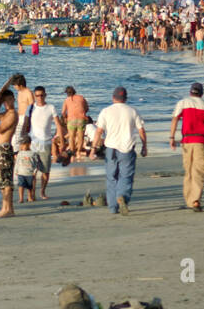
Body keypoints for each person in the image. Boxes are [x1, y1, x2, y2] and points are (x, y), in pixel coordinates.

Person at [92, 87, 148, 215]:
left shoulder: (106, 111)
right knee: (126, 176)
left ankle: (113, 207)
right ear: (125, 98)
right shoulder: (132, 111)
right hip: (127, 148)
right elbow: (141, 130)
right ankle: (122, 196)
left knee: (111, 177)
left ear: (113, 98)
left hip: (110, 148)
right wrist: (144, 146)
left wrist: (93, 149)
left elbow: (99, 131)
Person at [169, 82, 204, 211]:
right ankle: (195, 200)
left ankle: (190, 201)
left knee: (189, 171)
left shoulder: (183, 103)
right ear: (202, 94)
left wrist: (172, 137)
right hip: (200, 140)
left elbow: (175, 119)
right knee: (199, 171)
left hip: (186, 140)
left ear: (190, 92)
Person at [0, 76, 20, 219]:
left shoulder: (12, 115)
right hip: (0, 148)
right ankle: (7, 208)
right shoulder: (6, 113)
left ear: (13, 100)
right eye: (4, 102)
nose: (6, 104)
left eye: (8, 101)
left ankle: (7, 208)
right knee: (1, 179)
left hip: (5, 148)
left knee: (6, 179)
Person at [29, 86, 58, 199]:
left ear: (45, 95)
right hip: (33, 142)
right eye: (37, 95)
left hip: (46, 142)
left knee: (45, 170)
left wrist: (58, 136)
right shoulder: (31, 108)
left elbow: (58, 123)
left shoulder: (50, 107)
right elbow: (25, 123)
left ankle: (42, 192)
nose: (39, 97)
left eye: (41, 95)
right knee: (32, 171)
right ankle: (31, 194)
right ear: (34, 96)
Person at [61, 86, 88, 160]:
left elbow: (63, 112)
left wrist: (65, 117)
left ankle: (72, 153)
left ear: (67, 93)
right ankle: (78, 152)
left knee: (71, 137)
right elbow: (86, 108)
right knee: (80, 136)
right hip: (81, 119)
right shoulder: (81, 97)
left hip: (71, 120)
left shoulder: (66, 100)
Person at [14, 136, 42, 204]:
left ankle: (30, 196)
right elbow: (17, 162)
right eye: (21, 145)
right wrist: (16, 170)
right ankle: (21, 198)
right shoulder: (20, 153)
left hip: (30, 173)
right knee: (21, 186)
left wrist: (35, 171)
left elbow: (37, 163)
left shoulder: (33, 153)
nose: (22, 146)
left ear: (29, 144)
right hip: (21, 172)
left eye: (23, 145)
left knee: (30, 187)